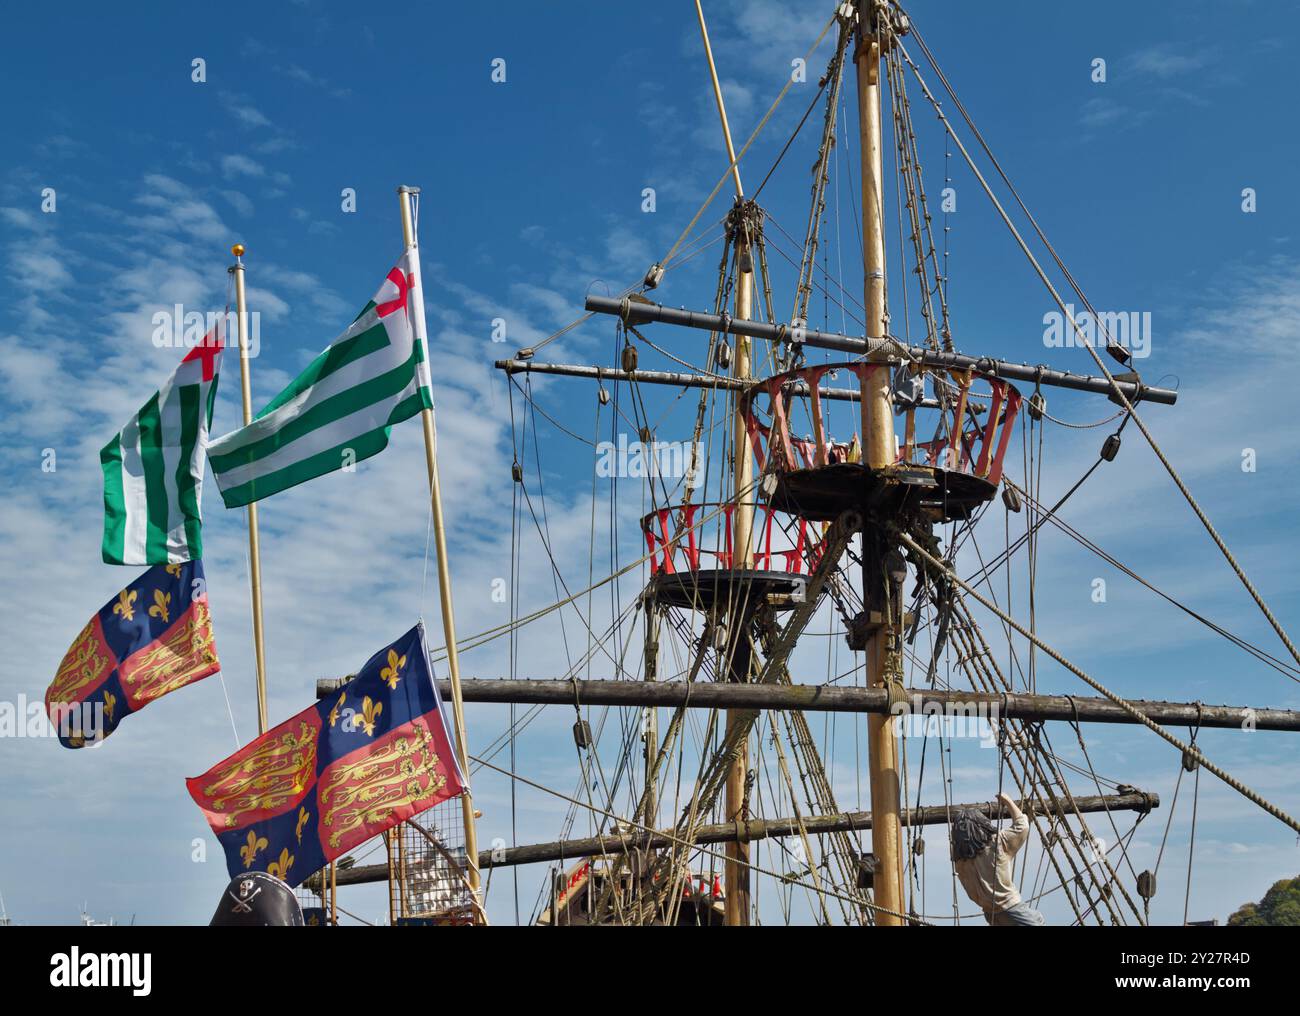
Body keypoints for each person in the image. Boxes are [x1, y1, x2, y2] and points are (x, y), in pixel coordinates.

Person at [951, 793, 1044, 926]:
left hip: (990, 914)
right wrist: (1007, 801)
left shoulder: (959, 859)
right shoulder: (996, 843)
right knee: (1039, 921)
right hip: (1012, 908)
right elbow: (1022, 826)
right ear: (981, 823)